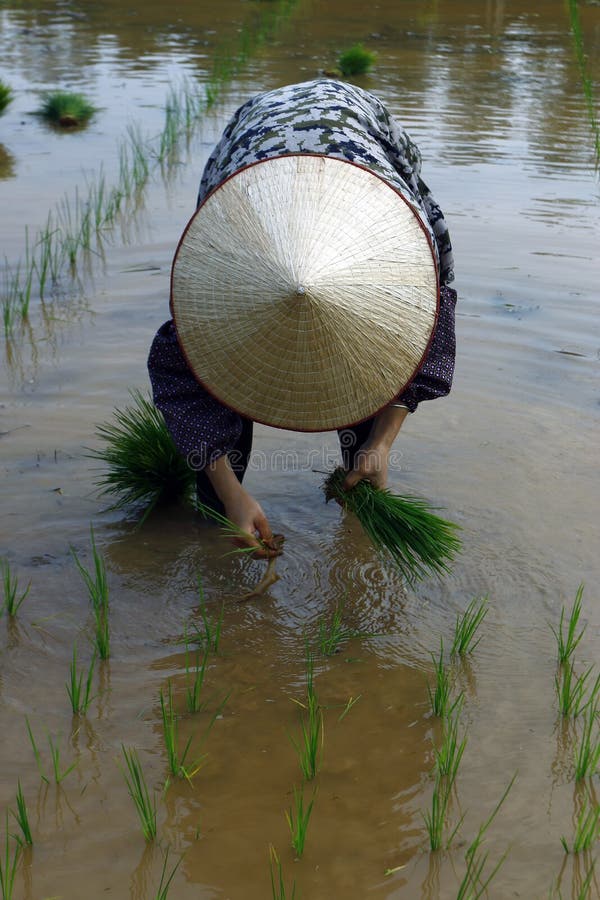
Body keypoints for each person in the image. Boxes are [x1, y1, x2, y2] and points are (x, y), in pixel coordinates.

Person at [147, 78, 457, 556]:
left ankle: (361, 488)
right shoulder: (221, 267)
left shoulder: (409, 256)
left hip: (357, 126)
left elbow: (426, 344)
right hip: (251, 147)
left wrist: (382, 443)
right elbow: (185, 383)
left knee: (369, 420)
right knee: (217, 386)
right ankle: (222, 521)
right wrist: (231, 494)